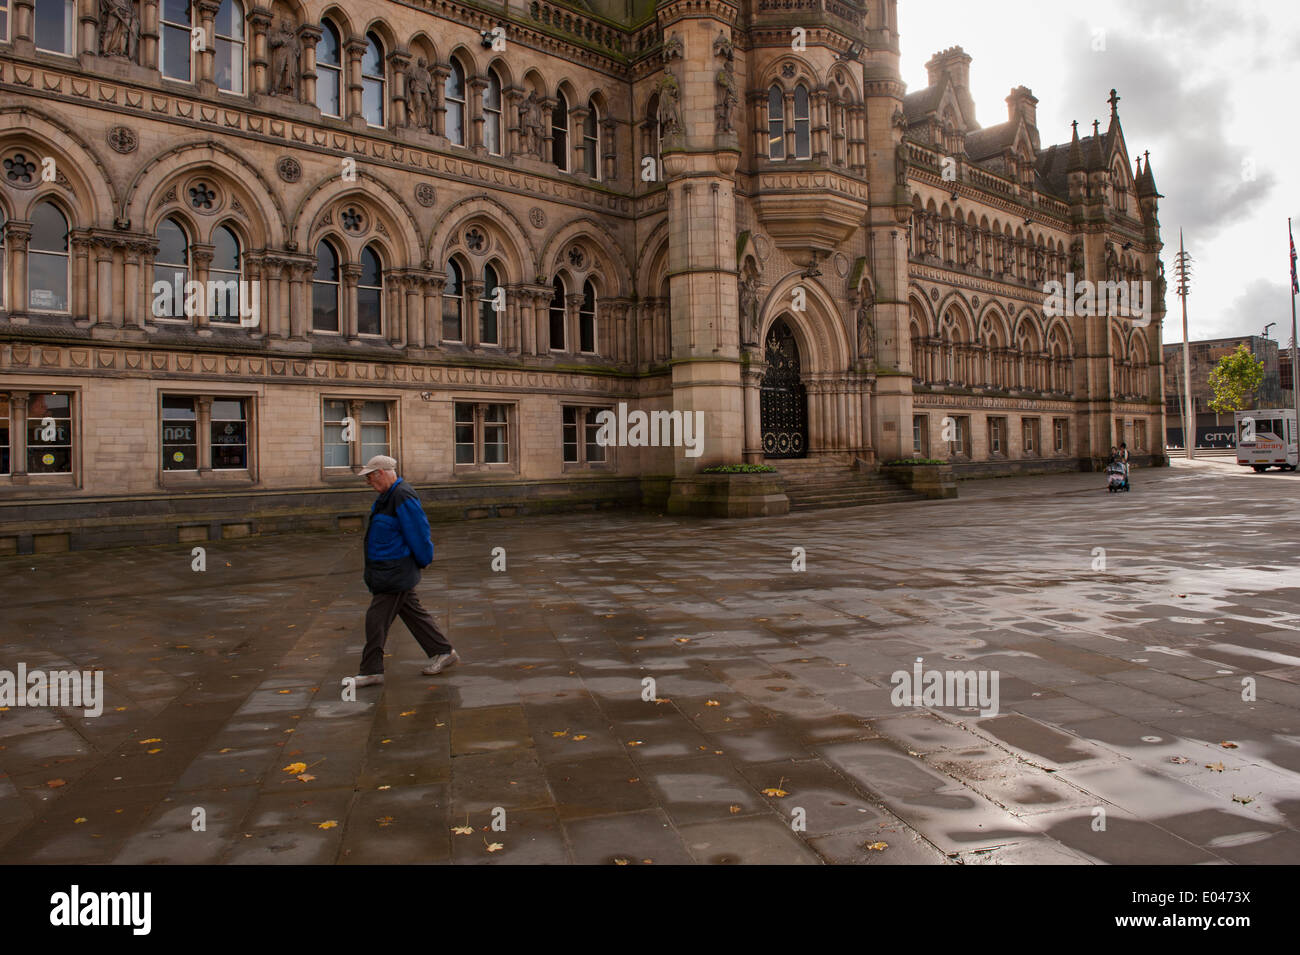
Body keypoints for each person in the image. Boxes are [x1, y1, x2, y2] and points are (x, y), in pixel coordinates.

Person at [353, 455, 458, 687]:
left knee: (375, 620)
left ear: (381, 472)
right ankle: (443, 651)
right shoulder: (386, 497)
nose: (368, 482)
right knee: (412, 612)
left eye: (370, 477)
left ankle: (371, 670)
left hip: (395, 572)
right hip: (386, 570)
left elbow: (419, 532)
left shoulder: (402, 495)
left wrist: (424, 559)